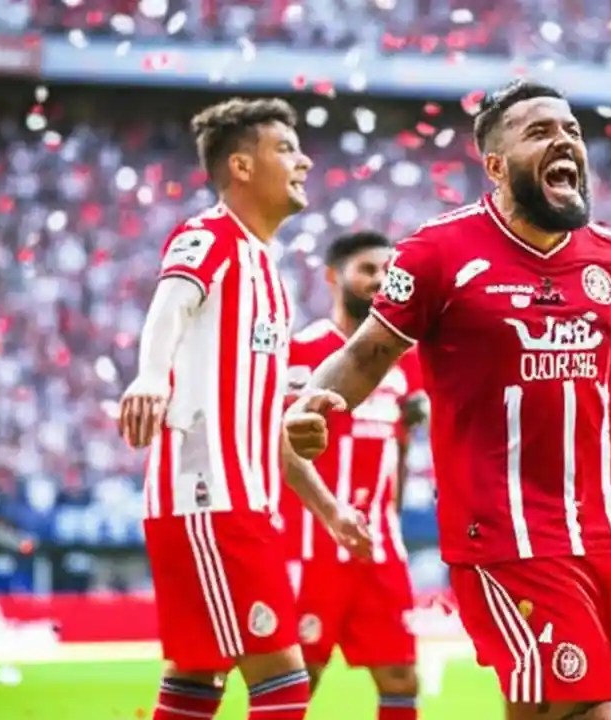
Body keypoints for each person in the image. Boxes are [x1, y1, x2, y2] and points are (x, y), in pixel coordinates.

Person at [287, 80, 611, 720]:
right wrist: (313, 402)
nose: (563, 141)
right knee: (590, 709)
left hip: (607, 532)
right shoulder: (437, 253)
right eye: (539, 132)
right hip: (506, 534)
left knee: (578, 706)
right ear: (495, 164)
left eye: (570, 131)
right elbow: (367, 353)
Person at [117, 97, 370, 720]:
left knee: (196, 682)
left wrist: (329, 509)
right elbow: (170, 303)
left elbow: (268, 429)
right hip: (209, 498)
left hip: (243, 502)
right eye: (285, 148)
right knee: (283, 681)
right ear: (241, 166)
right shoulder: (211, 236)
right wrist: (150, 374)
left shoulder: (270, 280)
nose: (304, 159)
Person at [278, 231, 429, 719]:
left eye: (388, 271)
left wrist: (393, 518)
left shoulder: (405, 363)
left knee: (401, 677)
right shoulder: (299, 353)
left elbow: (400, 453)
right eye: (367, 270)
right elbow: (277, 448)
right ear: (332, 277)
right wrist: (327, 511)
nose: (379, 281)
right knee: (299, 677)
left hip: (379, 546)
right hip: (312, 545)